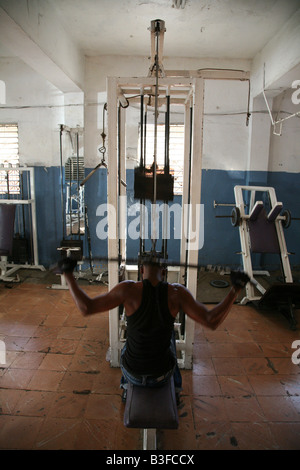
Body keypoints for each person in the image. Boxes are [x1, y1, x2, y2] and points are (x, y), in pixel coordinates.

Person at [59, 255, 249, 403]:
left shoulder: (127, 289)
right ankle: (175, 390)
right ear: (164, 272)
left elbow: (86, 308)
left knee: (127, 346)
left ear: (141, 270)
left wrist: (68, 274)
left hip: (133, 373)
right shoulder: (177, 293)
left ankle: (126, 386)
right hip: (161, 375)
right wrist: (235, 289)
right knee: (170, 342)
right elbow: (211, 320)